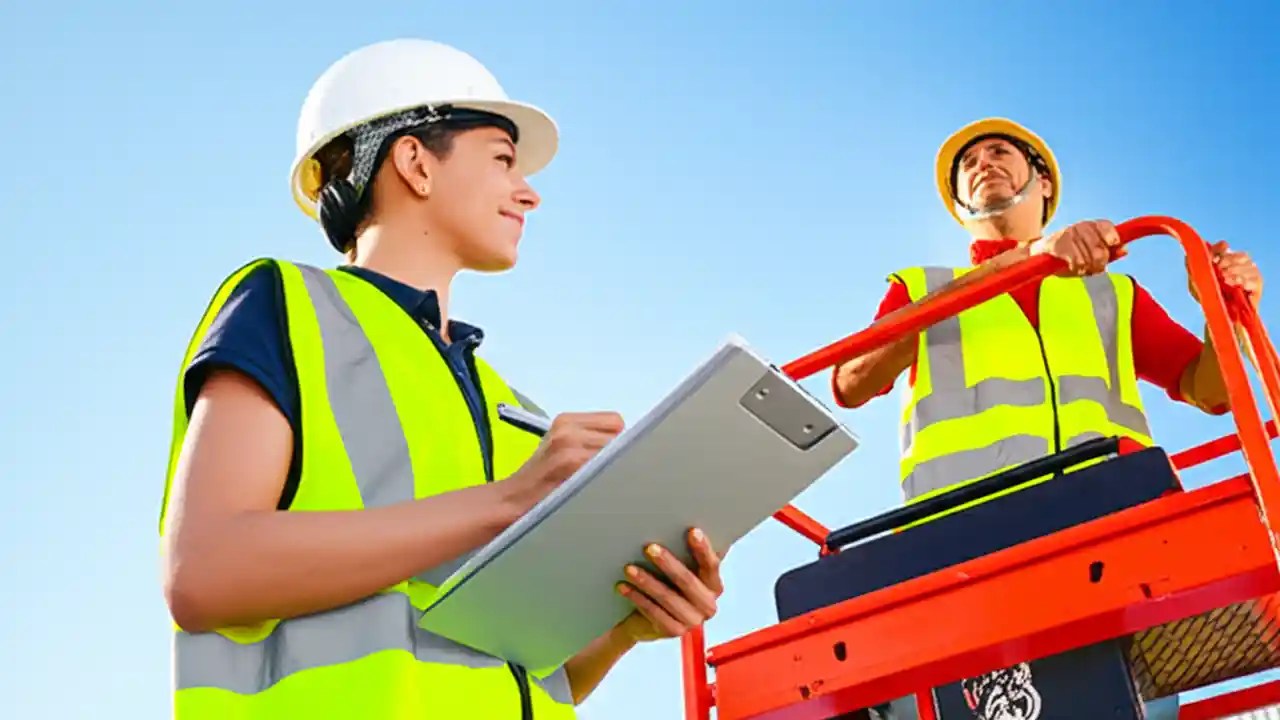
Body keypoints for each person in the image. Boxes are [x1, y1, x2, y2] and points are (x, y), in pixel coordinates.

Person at [158, 38, 725, 719]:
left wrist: (629, 627)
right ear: (415, 162)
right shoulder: (289, 305)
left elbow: (531, 673)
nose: (529, 192)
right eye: (503, 159)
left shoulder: (515, 411)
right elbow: (205, 570)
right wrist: (507, 502)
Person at [831, 118, 1263, 720]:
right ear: (959, 205)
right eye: (970, 162)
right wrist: (1023, 262)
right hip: (964, 548)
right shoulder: (923, 289)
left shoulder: (1112, 293)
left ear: (1043, 188)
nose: (983, 162)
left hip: (1117, 532)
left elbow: (1209, 389)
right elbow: (851, 380)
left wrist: (1222, 306)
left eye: (1001, 152)